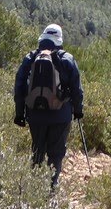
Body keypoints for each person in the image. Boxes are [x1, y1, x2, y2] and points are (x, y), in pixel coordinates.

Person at [14, 23, 84, 188]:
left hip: (35, 114)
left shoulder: (30, 58)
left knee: (37, 151)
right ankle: (51, 189)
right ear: (59, 39)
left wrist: (19, 113)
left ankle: (34, 189)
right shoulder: (67, 59)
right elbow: (77, 89)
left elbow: (19, 86)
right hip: (61, 115)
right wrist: (78, 111)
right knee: (56, 153)